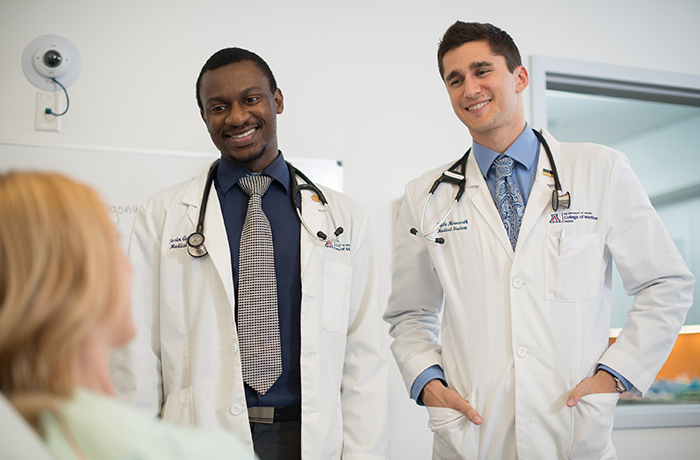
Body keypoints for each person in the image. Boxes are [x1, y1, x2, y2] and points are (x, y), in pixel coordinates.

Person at [384, 21, 695, 459]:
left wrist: (615, 374)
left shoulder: (599, 170)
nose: (469, 88)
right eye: (455, 80)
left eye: (481, 71)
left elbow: (666, 283)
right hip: (474, 434)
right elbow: (409, 315)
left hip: (571, 427)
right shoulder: (426, 195)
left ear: (520, 77)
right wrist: (428, 384)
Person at [110, 47, 389, 460]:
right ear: (204, 117)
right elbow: (136, 352)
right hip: (201, 437)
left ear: (277, 100)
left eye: (251, 99)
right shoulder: (163, 215)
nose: (237, 117)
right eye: (218, 106)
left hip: (307, 435)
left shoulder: (342, 217)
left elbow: (364, 352)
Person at [0, 171, 254, 460]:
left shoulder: (17, 430)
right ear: (76, 283)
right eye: (111, 244)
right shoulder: (207, 453)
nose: (129, 267)